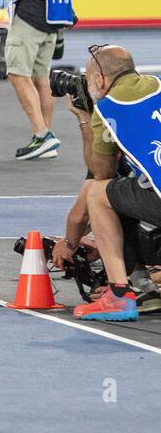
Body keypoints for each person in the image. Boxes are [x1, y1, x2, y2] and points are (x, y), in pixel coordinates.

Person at [54, 45, 161, 321]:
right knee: (135, 188)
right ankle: (144, 282)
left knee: (99, 194)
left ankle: (119, 294)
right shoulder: (158, 85)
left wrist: (86, 121)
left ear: (99, 79)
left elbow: (101, 174)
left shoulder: (109, 107)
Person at [4, 0, 76, 161]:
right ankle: (44, 138)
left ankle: (42, 135)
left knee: (17, 74)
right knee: (40, 78)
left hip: (33, 16)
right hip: (53, 17)